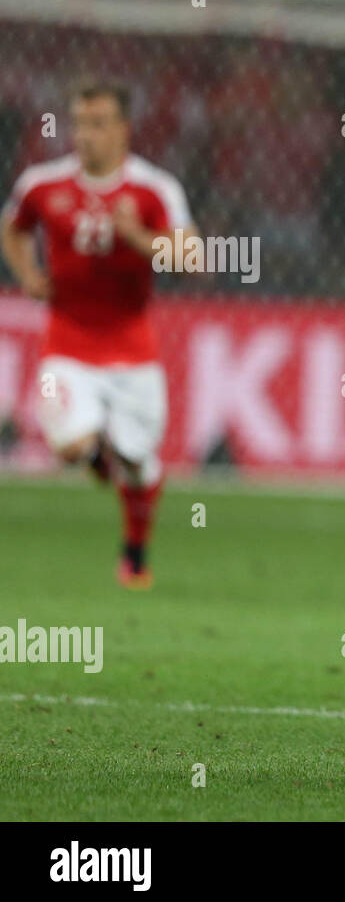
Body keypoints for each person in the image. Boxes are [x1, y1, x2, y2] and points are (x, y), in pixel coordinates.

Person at [1, 79, 200, 590]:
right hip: (66, 344)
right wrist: (26, 274)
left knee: (138, 465)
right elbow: (13, 227)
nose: (85, 135)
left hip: (133, 352)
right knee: (67, 443)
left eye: (98, 123)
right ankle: (92, 452)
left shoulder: (154, 190)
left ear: (123, 129)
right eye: (79, 123)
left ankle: (135, 549)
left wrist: (135, 236)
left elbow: (194, 257)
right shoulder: (43, 185)